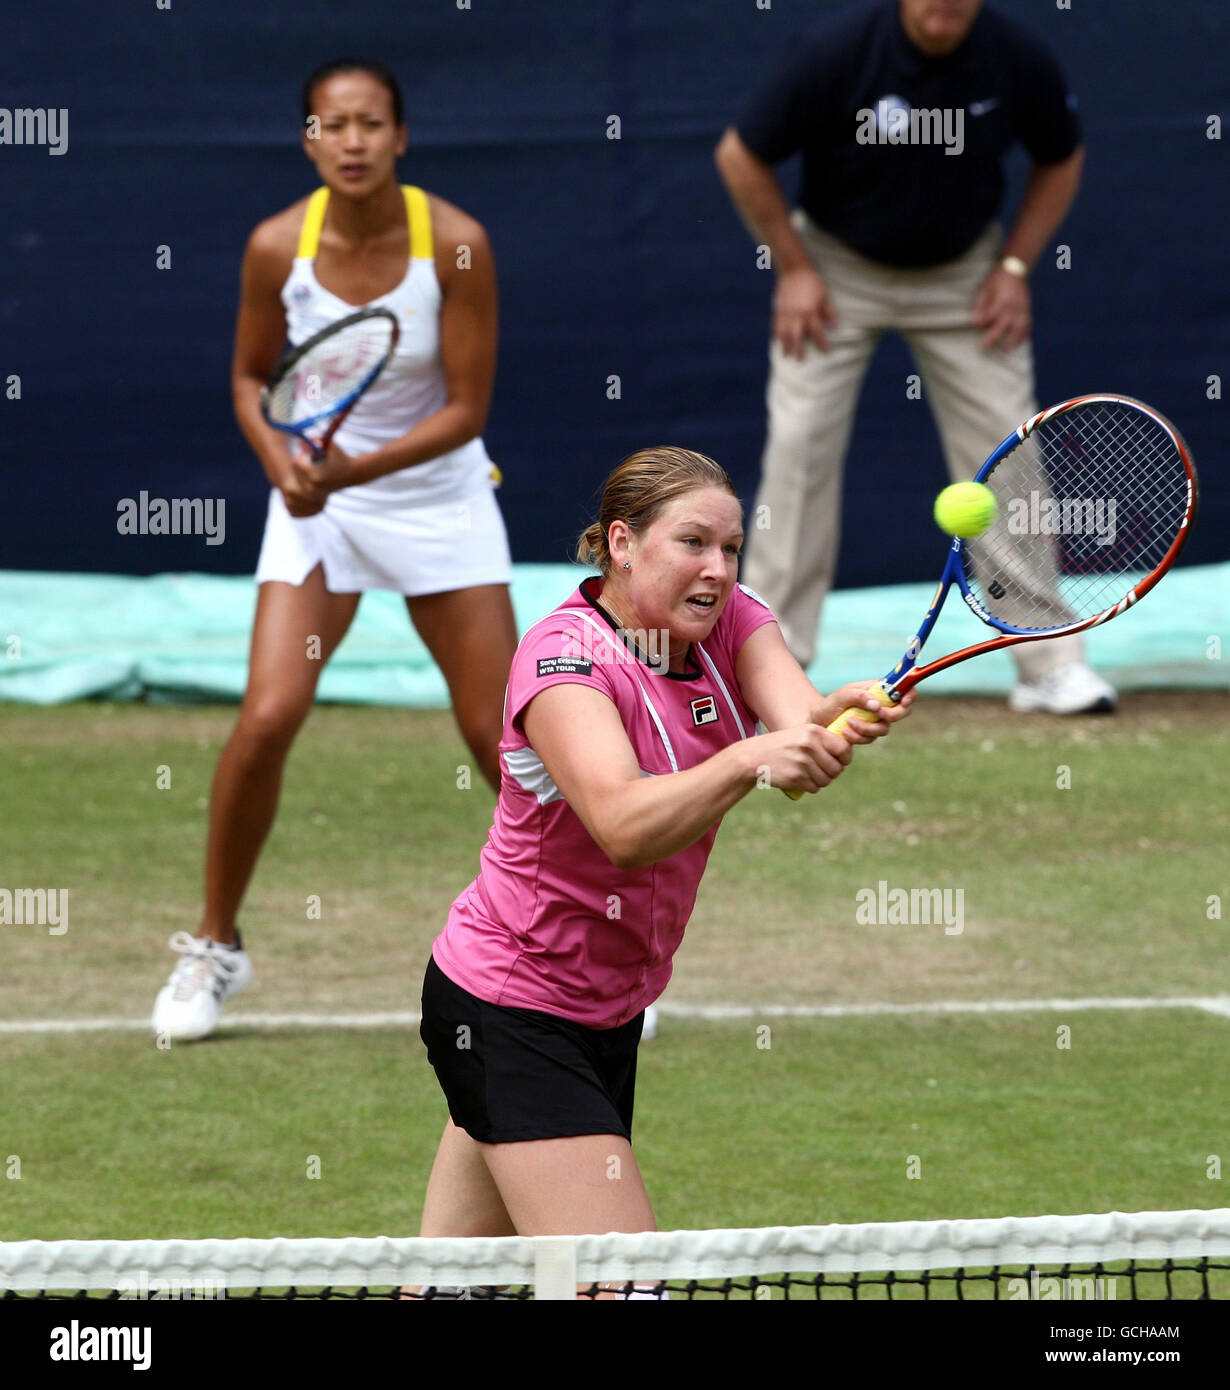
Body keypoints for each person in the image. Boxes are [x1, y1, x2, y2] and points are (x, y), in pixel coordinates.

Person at [415, 446, 912, 1273]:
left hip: (605, 1011)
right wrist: (749, 760)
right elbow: (621, 823)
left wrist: (833, 719)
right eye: (692, 544)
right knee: (622, 1285)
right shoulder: (562, 664)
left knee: (456, 1290)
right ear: (621, 543)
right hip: (510, 1008)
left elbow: (795, 724)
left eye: (730, 548)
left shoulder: (730, 618)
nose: (716, 569)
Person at [152, 59, 517, 1041]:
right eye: (332, 125)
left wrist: (346, 471)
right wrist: (283, 460)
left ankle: (592, 945)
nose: (352, 140)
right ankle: (215, 948)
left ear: (401, 137)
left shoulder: (459, 246)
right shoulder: (277, 245)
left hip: (438, 502)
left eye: (370, 124)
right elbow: (247, 378)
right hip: (320, 509)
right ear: (310, 141)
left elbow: (466, 410)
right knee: (268, 714)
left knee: (503, 737)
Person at [714, 0, 1117, 716]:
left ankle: (1048, 662)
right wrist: (796, 268)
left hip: (964, 273)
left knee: (1009, 454)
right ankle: (765, 672)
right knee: (800, 451)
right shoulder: (833, 52)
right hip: (837, 267)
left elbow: (1062, 156)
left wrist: (1016, 268)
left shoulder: (1015, 55)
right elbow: (741, 154)